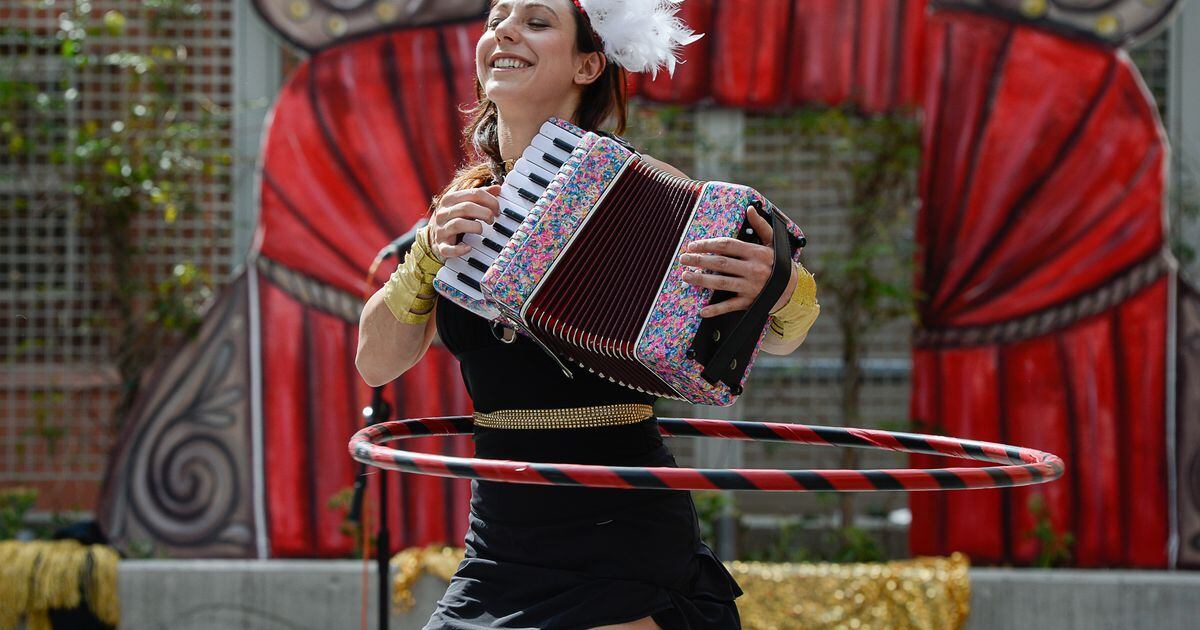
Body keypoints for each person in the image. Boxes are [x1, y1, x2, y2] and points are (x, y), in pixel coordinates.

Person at [356, 1, 820, 627]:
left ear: (588, 64)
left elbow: (779, 341)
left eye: (536, 21)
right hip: (500, 538)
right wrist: (424, 259)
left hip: (621, 530)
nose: (505, 31)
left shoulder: (649, 196)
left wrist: (780, 289)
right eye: (497, 18)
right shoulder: (460, 209)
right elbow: (375, 363)